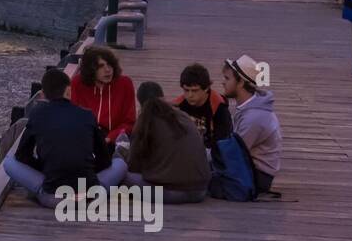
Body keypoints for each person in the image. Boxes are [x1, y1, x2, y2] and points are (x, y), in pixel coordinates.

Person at [3, 67, 128, 207]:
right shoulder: (87, 115)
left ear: (42, 94)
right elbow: (104, 160)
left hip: (53, 198)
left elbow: (22, 155)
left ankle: (45, 185)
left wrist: (45, 168)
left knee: (8, 162)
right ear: (68, 91)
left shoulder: (37, 113)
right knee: (120, 164)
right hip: (89, 195)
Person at [120, 81, 210, 203]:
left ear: (140, 103)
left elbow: (133, 166)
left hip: (169, 192)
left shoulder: (145, 121)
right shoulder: (183, 116)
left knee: (121, 173)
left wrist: (122, 150)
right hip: (200, 191)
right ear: (163, 97)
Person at [222, 55, 283, 194]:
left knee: (192, 177)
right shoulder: (249, 108)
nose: (223, 82)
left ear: (241, 82)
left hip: (256, 177)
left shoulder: (254, 117)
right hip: (249, 169)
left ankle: (159, 205)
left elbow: (233, 154)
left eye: (227, 78)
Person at [69, 46, 136, 145]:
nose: (108, 70)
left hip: (115, 141)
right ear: (90, 69)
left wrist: (109, 138)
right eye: (101, 66)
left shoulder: (124, 84)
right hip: (85, 139)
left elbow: (129, 122)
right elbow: (72, 117)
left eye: (110, 65)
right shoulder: (77, 83)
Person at [173, 62, 232, 154]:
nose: (190, 95)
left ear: (206, 88)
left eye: (194, 90)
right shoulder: (177, 106)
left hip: (212, 153)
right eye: (186, 90)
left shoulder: (218, 107)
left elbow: (224, 139)